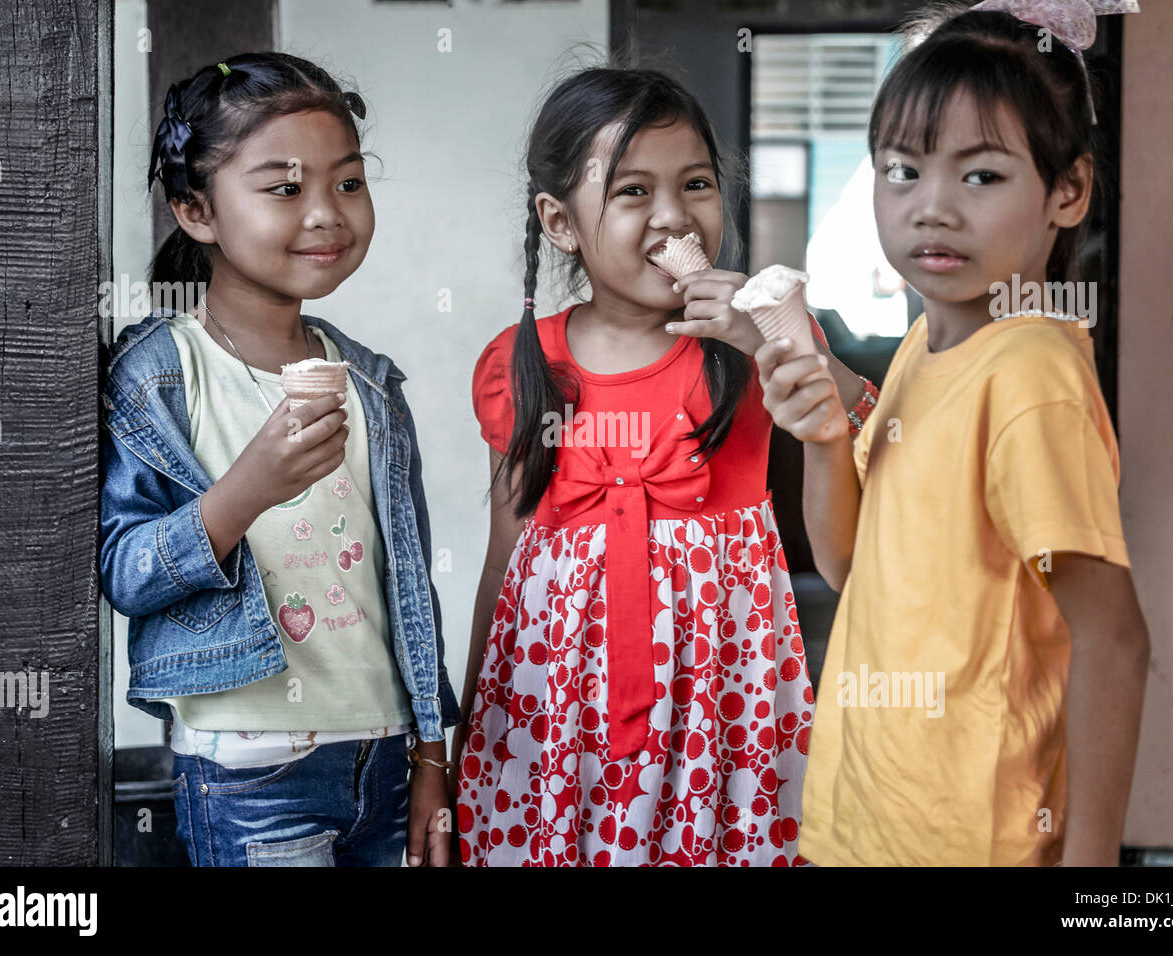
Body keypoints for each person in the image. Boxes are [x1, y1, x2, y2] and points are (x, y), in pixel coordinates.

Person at [453, 66, 879, 865]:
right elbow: (503, 556)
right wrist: (468, 726)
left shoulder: (761, 340)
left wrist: (778, 345)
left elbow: (874, 430)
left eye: (695, 184)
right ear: (559, 221)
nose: (675, 216)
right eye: (632, 192)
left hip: (723, 709)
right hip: (555, 714)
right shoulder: (522, 366)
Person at [758, 2, 1149, 865]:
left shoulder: (1028, 374)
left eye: (980, 176)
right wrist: (826, 437)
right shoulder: (921, 351)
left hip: (979, 839)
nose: (931, 208)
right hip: (866, 821)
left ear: (1068, 191)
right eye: (901, 171)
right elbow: (853, 569)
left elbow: (1114, 640)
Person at [99, 52, 458, 867]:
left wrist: (432, 757)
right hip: (251, 768)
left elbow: (409, 585)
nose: (328, 214)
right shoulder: (160, 373)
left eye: (349, 183)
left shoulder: (369, 381)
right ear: (196, 211)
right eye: (286, 189)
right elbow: (124, 570)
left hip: (387, 756)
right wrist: (243, 494)